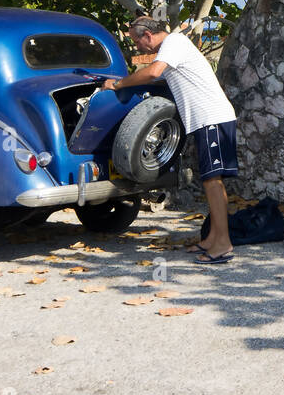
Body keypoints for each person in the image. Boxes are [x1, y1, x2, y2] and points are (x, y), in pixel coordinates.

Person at [101, 15, 239, 265]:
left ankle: (223, 243)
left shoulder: (174, 42)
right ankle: (212, 238)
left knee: (213, 181)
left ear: (147, 36)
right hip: (205, 120)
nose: (137, 48)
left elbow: (153, 73)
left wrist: (118, 84)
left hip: (212, 118)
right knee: (210, 180)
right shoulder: (174, 47)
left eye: (136, 42)